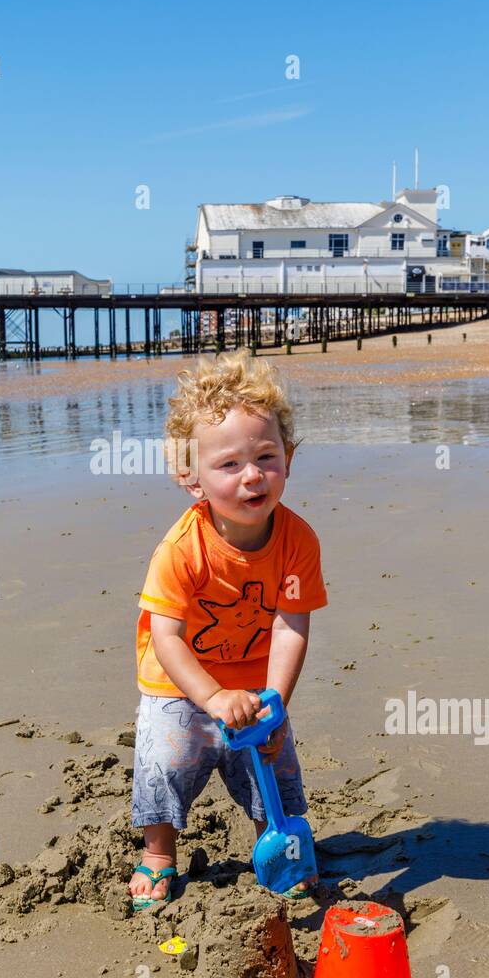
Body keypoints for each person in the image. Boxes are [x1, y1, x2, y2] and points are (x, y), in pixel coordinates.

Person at [129, 347, 327, 910]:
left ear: (289, 457)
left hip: (255, 679)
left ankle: (284, 841)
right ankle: (159, 856)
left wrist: (275, 705)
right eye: (228, 465)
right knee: (164, 759)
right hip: (182, 679)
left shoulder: (298, 542)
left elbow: (291, 624)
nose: (251, 476)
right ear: (192, 479)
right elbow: (166, 636)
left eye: (266, 457)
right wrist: (212, 697)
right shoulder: (180, 550)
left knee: (273, 761)